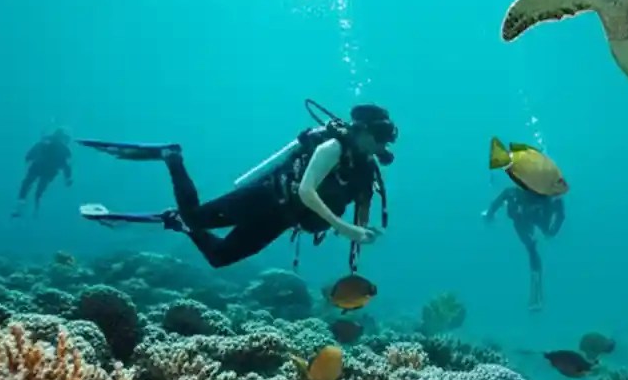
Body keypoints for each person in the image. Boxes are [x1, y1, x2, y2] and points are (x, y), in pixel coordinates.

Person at [77, 101, 396, 269]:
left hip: (283, 220)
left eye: (386, 138)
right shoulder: (333, 148)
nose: (381, 145)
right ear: (362, 129)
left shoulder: (366, 170)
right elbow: (306, 191)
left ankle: (175, 221)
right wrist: (347, 229)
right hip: (266, 197)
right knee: (196, 217)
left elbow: (362, 215)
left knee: (220, 258)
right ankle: (171, 156)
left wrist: (362, 237)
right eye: (378, 136)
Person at [483, 185, 565, 311]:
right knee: (532, 247)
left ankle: (536, 275)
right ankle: (536, 276)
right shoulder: (516, 195)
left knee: (531, 247)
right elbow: (560, 214)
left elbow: (496, 204)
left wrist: (489, 215)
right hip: (530, 218)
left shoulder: (513, 194)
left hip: (529, 218)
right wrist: (551, 232)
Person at [14, 128, 73, 217]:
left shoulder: (44, 143)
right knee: (39, 189)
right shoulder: (64, 149)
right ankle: (35, 206)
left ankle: (22, 202)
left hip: (38, 167)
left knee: (27, 183)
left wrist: (28, 158)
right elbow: (66, 166)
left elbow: (30, 154)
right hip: (49, 171)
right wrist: (68, 178)